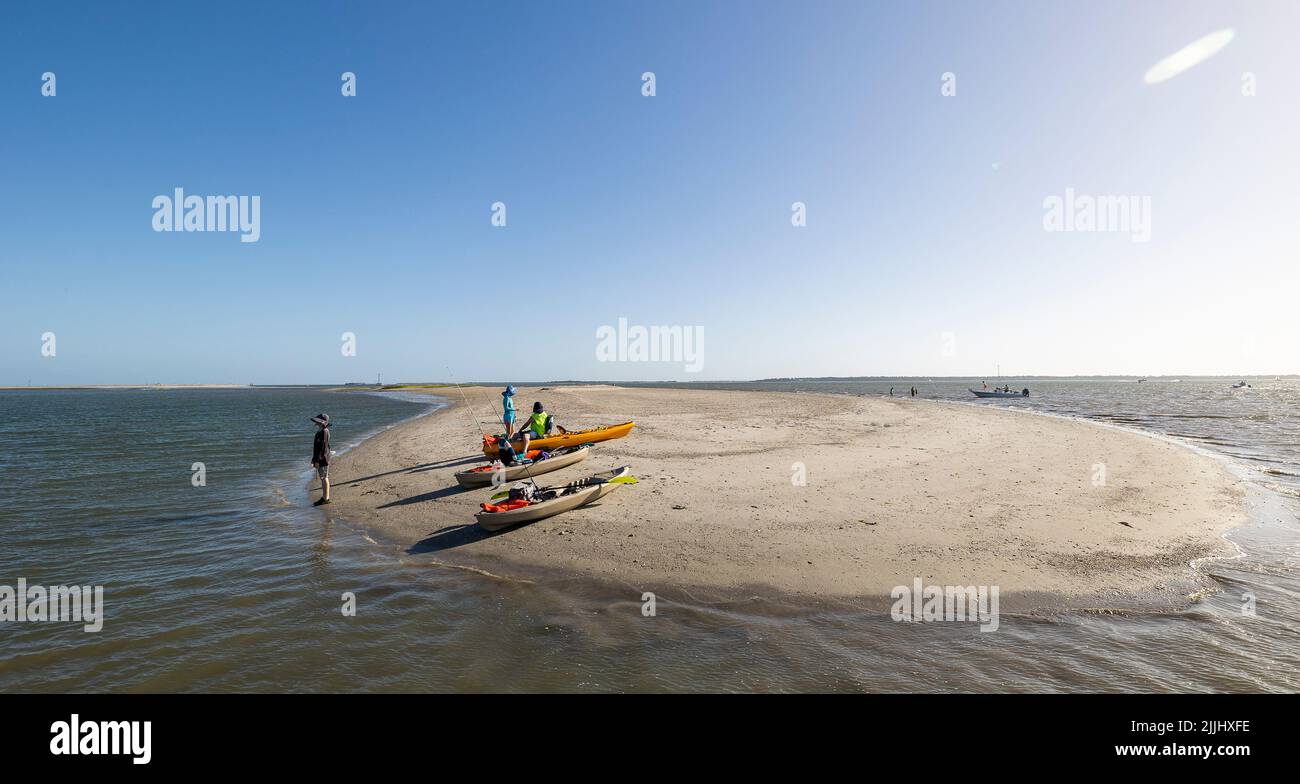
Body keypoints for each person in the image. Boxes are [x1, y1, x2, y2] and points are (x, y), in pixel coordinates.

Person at [310, 413, 332, 506]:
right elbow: (317, 448)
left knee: (324, 478)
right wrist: (313, 459)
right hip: (320, 458)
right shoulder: (320, 431)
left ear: (323, 422)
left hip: (323, 459)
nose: (316, 423)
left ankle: (325, 498)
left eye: (318, 421)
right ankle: (325, 497)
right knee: (323, 477)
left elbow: (323, 447)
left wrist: (317, 460)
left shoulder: (324, 431)